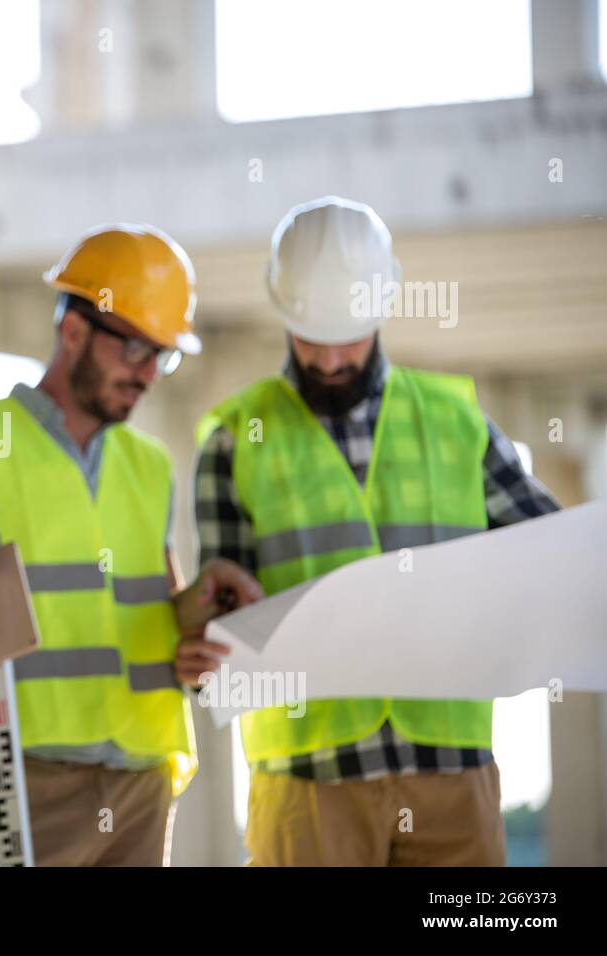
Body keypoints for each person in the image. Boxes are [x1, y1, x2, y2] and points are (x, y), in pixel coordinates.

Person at [0, 224, 261, 866]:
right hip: (21, 783)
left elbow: (155, 609)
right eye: (134, 350)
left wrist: (199, 609)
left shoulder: (150, 465)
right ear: (74, 331)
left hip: (143, 782)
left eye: (163, 355)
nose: (149, 373)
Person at [192, 195, 559, 866]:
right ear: (282, 314)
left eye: (347, 337)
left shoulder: (457, 423)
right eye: (310, 337)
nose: (330, 359)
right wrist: (201, 647)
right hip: (307, 783)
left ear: (383, 309)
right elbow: (219, 621)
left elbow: (554, 557)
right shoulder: (233, 441)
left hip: (451, 769)